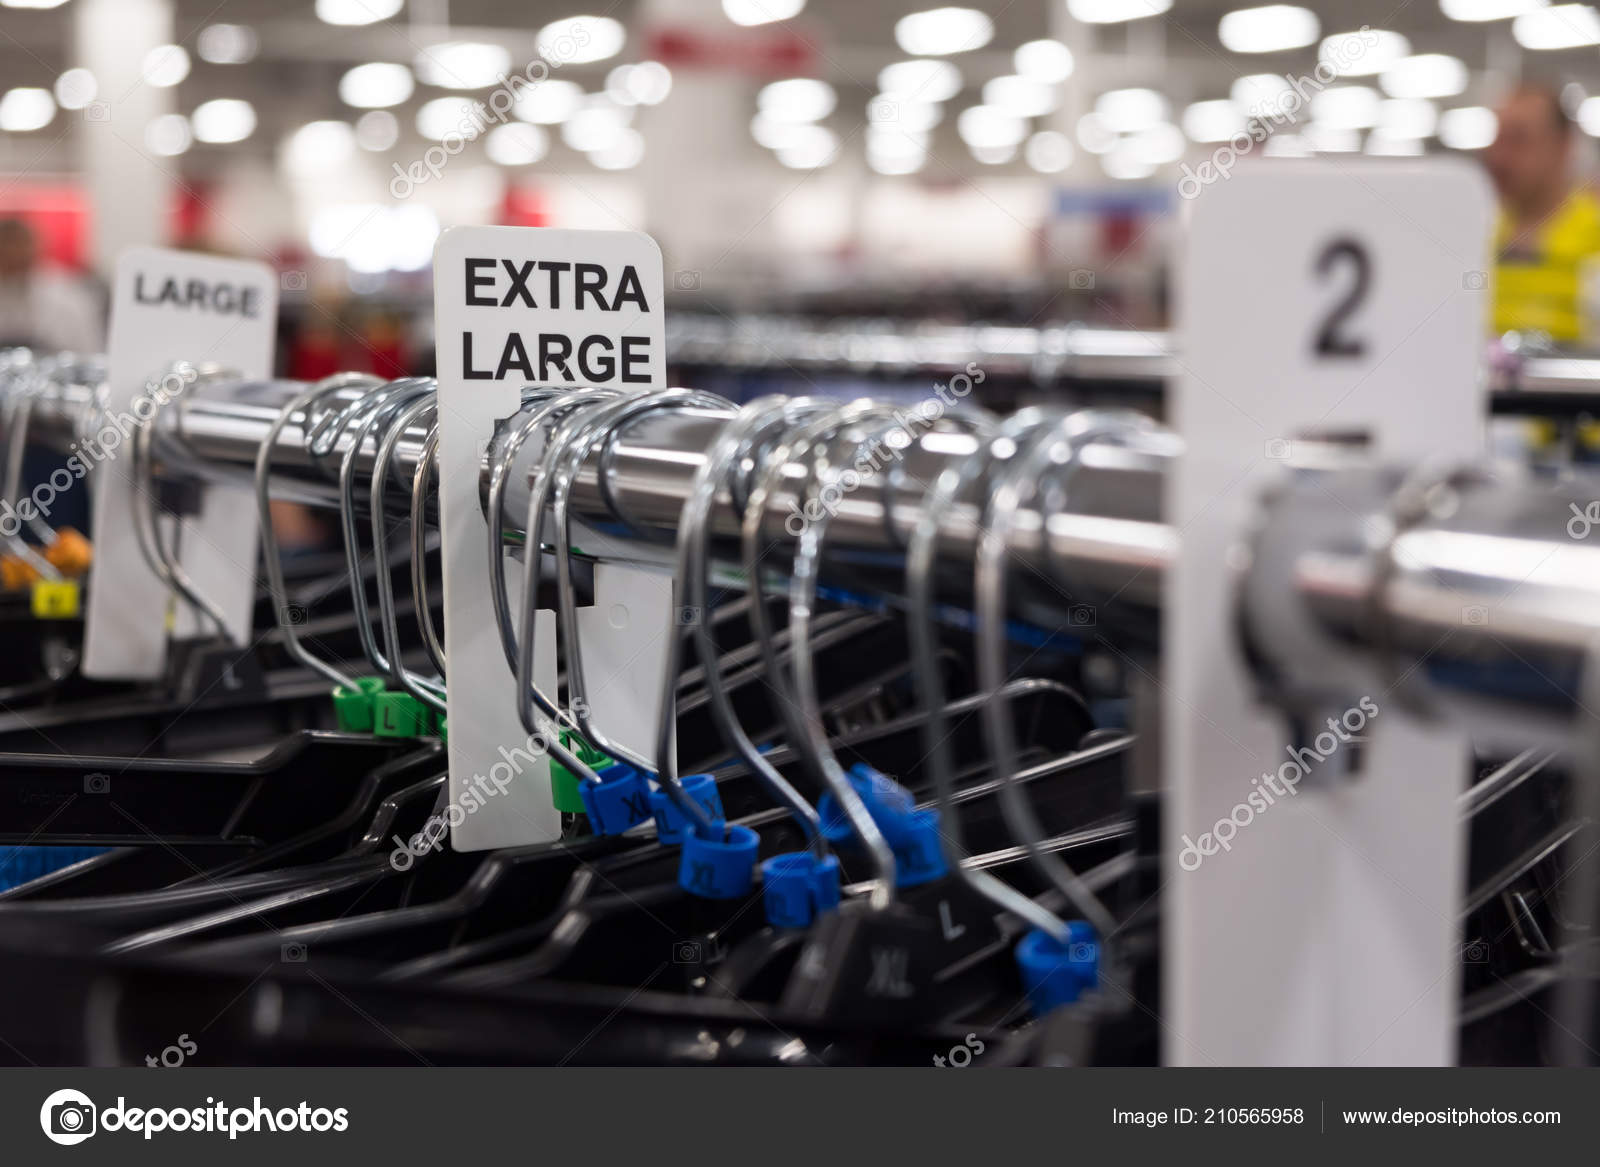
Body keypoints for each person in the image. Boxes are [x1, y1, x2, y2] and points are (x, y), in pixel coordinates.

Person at [1484, 84, 1600, 345]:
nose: (1500, 157)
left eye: (1519, 139)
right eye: (1498, 139)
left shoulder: (1595, 232)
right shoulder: (1481, 230)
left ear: (1563, 146)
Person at [0, 218, 103, 354]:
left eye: (18, 247)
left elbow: (89, 352)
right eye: (7, 250)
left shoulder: (67, 296)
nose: (13, 255)